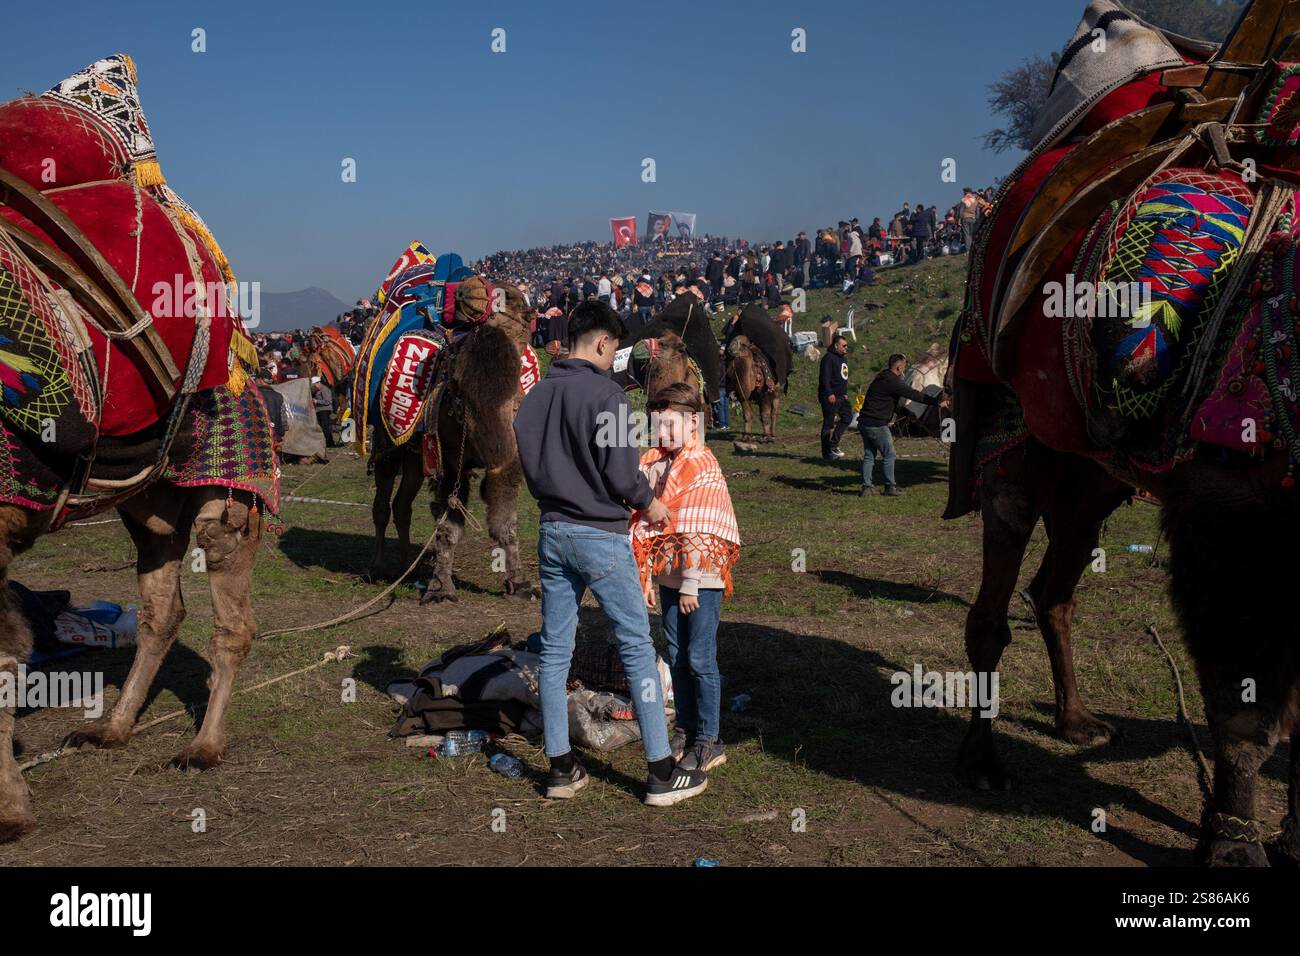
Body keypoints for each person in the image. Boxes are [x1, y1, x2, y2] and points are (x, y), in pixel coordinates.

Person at [512, 300, 709, 806]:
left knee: (555, 652)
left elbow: (530, 466)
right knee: (638, 648)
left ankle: (560, 768)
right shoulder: (609, 396)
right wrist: (652, 504)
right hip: (599, 533)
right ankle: (662, 772)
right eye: (614, 349)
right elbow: (623, 474)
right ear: (602, 343)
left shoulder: (534, 396)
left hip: (551, 530)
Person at [633, 382, 740, 774]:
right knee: (676, 656)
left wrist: (692, 582)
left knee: (699, 658)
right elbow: (650, 521)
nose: (661, 434)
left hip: (701, 581)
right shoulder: (657, 461)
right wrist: (652, 577)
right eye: (656, 426)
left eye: (670, 426)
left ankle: (710, 738)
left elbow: (703, 524)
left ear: (693, 422)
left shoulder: (702, 464)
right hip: (670, 578)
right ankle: (686, 727)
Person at [857, 353, 946, 496]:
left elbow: (891, 400)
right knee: (890, 455)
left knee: (869, 455)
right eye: (903, 367)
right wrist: (936, 402)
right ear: (898, 367)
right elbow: (914, 394)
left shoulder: (882, 377)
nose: (904, 370)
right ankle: (889, 487)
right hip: (877, 424)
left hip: (864, 422)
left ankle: (866, 487)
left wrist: (905, 412)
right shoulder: (894, 381)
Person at [819, 333, 852, 460]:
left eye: (846, 345)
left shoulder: (843, 359)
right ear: (836, 345)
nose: (846, 348)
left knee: (847, 417)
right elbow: (825, 378)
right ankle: (826, 453)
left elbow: (842, 378)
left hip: (841, 396)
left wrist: (844, 393)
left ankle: (833, 444)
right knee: (828, 424)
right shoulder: (828, 358)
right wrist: (829, 393)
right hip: (829, 396)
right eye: (843, 346)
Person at [311, 377, 336, 447]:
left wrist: (317, 401)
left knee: (325, 427)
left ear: (318, 383)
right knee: (325, 427)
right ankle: (330, 443)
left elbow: (328, 401)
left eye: (315, 384)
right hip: (320, 410)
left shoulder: (325, 389)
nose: (314, 386)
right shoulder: (317, 390)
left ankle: (325, 443)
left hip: (325, 410)